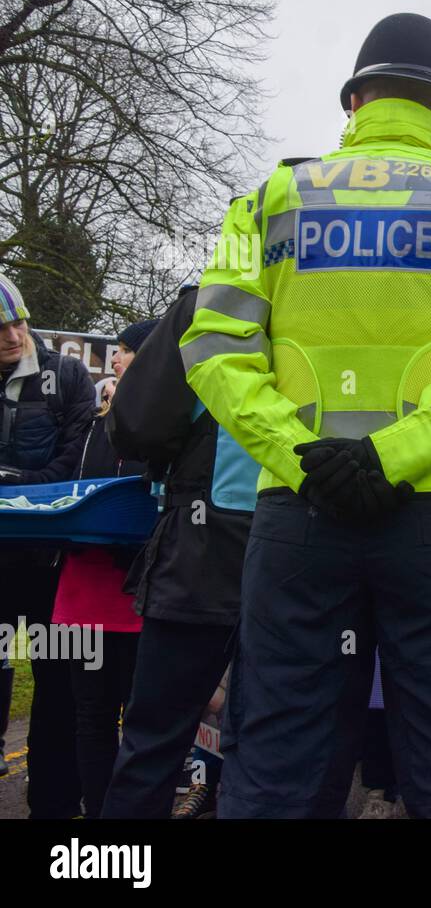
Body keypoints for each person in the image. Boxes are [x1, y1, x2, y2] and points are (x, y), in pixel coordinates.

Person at [180, 13, 431, 818]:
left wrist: (303, 455)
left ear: (354, 100)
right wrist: (396, 455)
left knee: (279, 769)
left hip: (301, 512)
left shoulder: (271, 199)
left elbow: (213, 349)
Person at [100, 287, 258, 819]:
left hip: (203, 546)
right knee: (283, 742)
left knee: (155, 738)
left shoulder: (207, 302)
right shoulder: (342, 294)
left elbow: (136, 425)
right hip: (307, 547)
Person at [50, 319, 156, 817]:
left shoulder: (170, 425)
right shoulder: (94, 423)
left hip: (140, 597)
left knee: (141, 719)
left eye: (125, 351)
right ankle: (98, 814)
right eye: (114, 351)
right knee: (90, 717)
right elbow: (66, 484)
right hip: (82, 596)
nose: (114, 360)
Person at [0, 271, 96, 818]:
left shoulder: (67, 374)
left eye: (18, 321)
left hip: (50, 562)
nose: (13, 336)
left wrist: (11, 486)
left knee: (58, 685)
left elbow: (72, 468)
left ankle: (55, 810)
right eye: (0, 328)